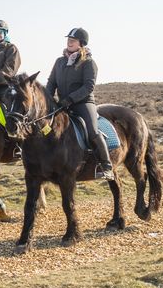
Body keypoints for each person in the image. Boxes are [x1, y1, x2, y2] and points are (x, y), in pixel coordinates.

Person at [46, 27, 115, 180]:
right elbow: (51, 83)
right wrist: (47, 99)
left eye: (73, 40)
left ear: (81, 43)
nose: (69, 42)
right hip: (62, 104)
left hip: (83, 103)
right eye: (68, 40)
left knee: (92, 131)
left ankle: (106, 166)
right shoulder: (59, 61)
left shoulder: (89, 62)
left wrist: (70, 99)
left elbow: (88, 86)